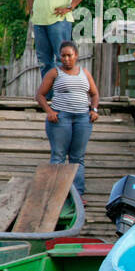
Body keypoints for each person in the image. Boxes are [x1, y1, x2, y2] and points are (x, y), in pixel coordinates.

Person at [35, 42, 99, 200]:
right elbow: (40, 95)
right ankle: (54, 194)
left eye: (69, 55)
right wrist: (49, 111)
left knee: (78, 158)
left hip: (83, 118)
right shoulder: (54, 72)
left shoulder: (84, 72)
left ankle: (77, 196)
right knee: (58, 156)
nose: (66, 58)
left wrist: (94, 110)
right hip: (61, 118)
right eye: (63, 55)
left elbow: (95, 94)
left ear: (76, 56)